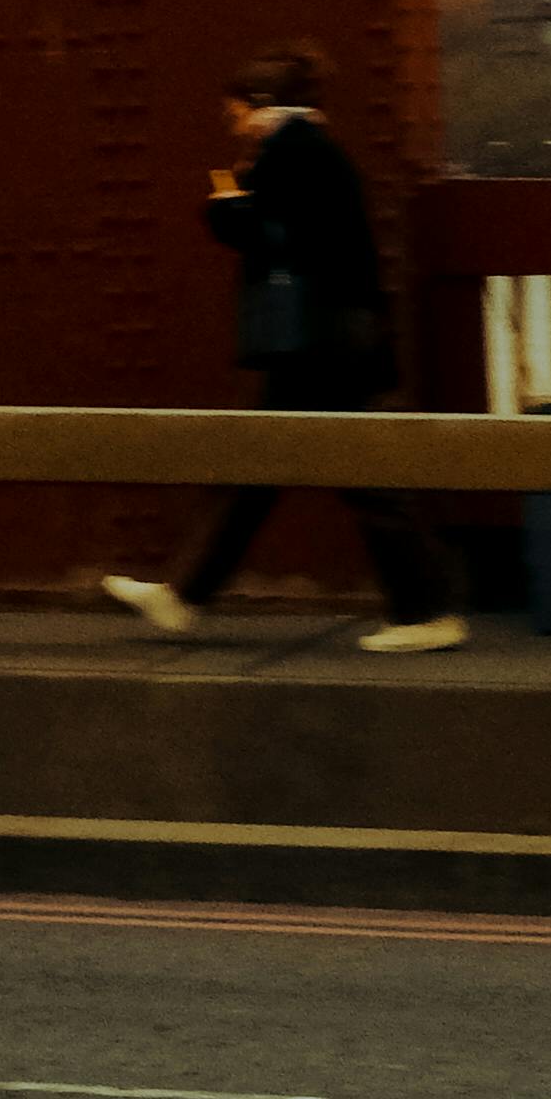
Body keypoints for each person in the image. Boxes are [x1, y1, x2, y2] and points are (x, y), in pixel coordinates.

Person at [106, 44, 460, 649]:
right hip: (333, 338)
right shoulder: (312, 151)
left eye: (236, 110)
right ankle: (185, 594)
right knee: (270, 468)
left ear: (261, 104)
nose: (232, 121)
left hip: (321, 343)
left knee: (343, 476)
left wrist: (222, 206)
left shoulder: (289, 153)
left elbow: (263, 231)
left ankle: (427, 613)